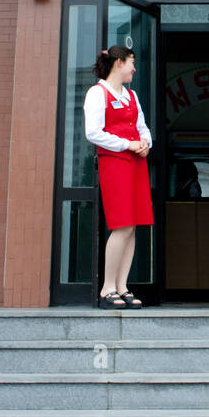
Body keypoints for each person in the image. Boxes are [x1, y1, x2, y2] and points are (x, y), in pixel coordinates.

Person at [83, 44, 152, 309]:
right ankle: (107, 288)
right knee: (121, 224)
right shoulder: (97, 92)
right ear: (119, 62)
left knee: (132, 226)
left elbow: (143, 127)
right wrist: (128, 144)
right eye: (132, 62)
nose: (134, 68)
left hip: (136, 163)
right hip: (115, 163)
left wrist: (145, 143)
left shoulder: (132, 96)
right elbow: (94, 132)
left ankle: (122, 286)